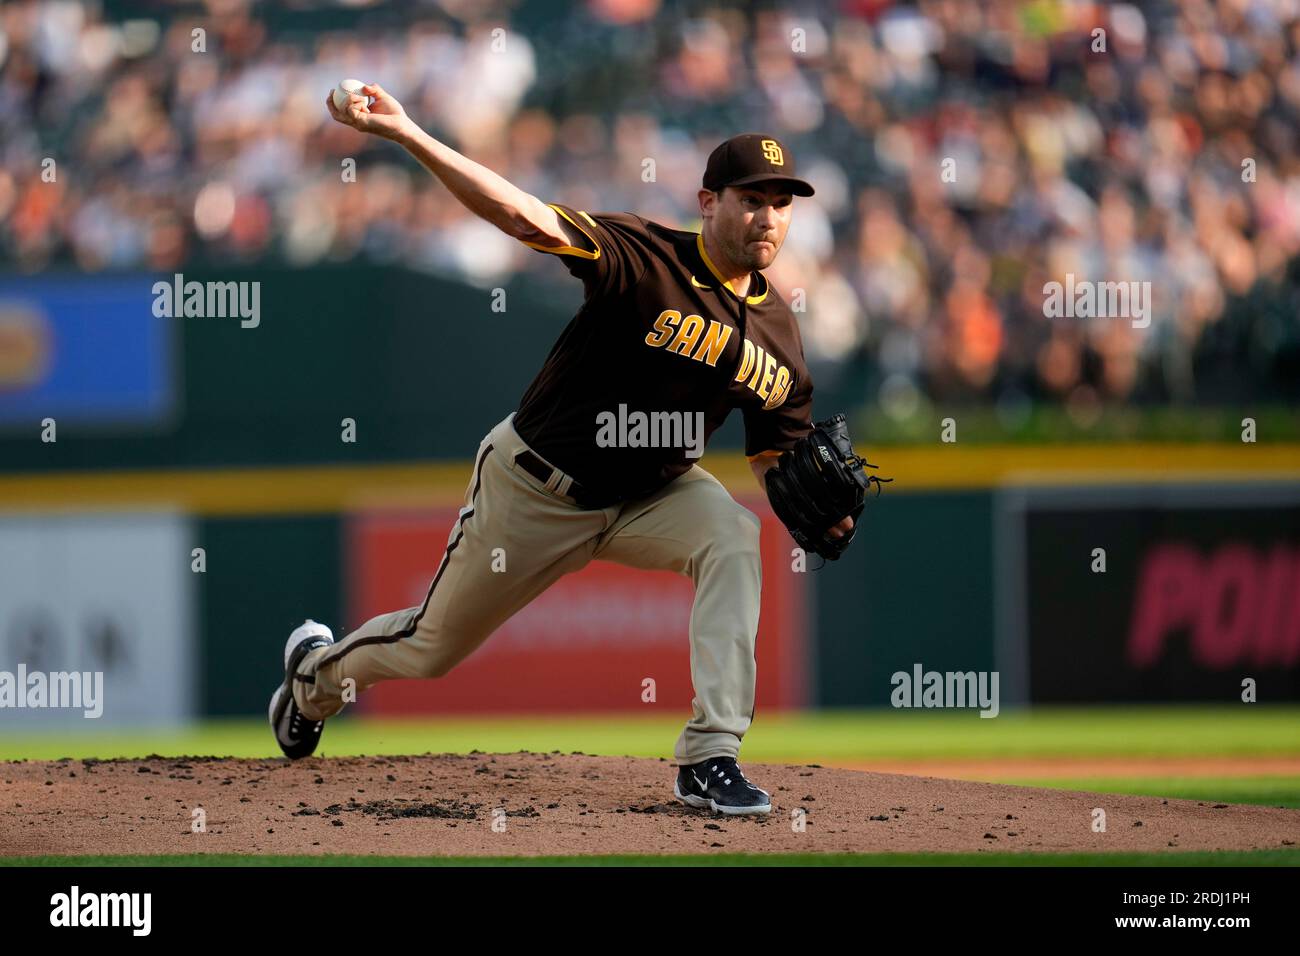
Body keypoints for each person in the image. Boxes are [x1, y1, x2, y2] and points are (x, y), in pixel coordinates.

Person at [268, 83, 850, 815]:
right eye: (751, 198)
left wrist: (806, 505)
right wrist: (410, 134)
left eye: (782, 202)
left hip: (654, 493)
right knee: (430, 647)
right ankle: (313, 678)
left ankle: (710, 756)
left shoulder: (782, 340)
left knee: (732, 535)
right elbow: (522, 214)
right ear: (708, 203)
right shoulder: (644, 258)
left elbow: (775, 456)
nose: (768, 216)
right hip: (537, 486)